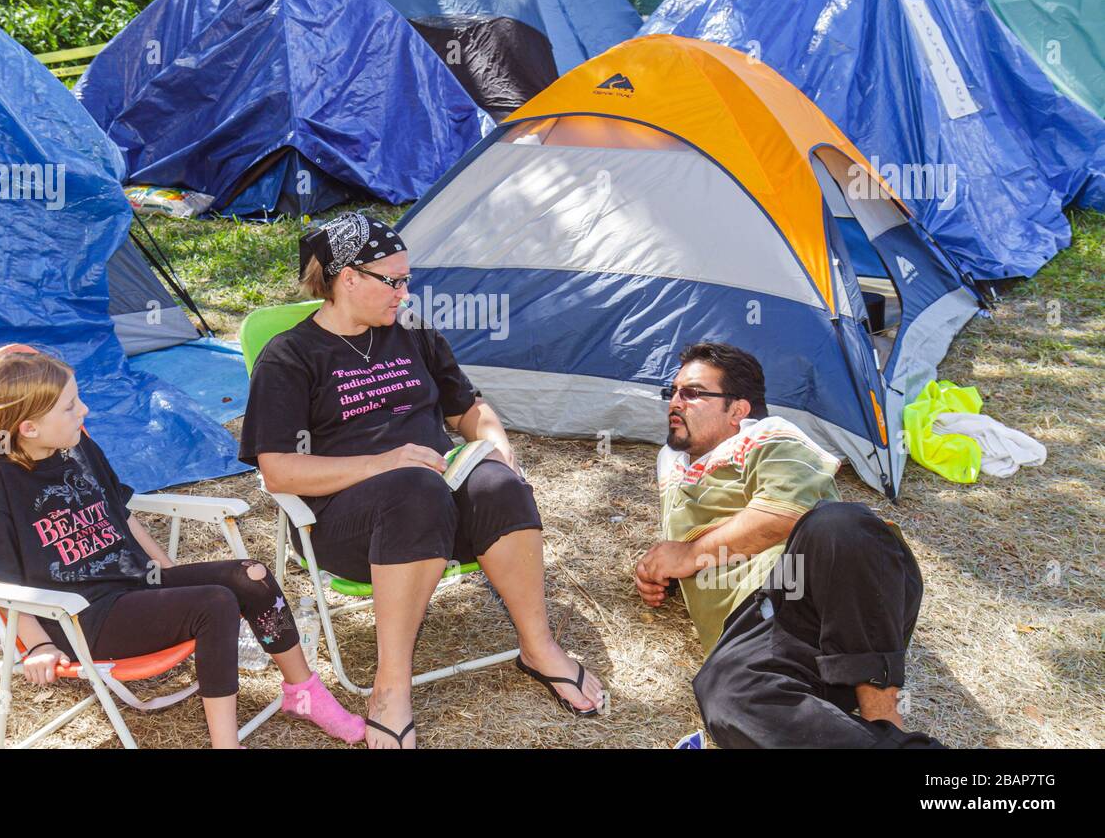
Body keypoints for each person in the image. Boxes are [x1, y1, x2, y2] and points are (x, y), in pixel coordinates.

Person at [240, 211, 605, 749]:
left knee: (497, 484)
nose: (405, 294)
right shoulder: (291, 357)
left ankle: (539, 646)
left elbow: (469, 411)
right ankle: (391, 688)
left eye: (408, 280)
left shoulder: (413, 335)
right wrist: (387, 462)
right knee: (414, 490)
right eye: (394, 281)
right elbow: (278, 471)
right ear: (349, 278)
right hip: (342, 525)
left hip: (437, 502)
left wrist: (497, 448)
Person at [0, 349, 366, 749]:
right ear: (29, 427)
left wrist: (166, 570)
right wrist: (38, 644)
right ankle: (225, 744)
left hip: (135, 587)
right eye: (70, 407)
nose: (84, 410)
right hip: (80, 619)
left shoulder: (78, 449)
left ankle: (303, 693)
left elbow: (122, 514)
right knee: (214, 604)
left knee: (252, 576)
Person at [634, 342, 942, 748]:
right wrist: (659, 570)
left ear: (738, 410)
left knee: (841, 522)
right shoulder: (672, 464)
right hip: (758, 637)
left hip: (827, 601)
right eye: (672, 392)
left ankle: (882, 712)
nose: (675, 402)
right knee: (725, 693)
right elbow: (698, 537)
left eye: (692, 393)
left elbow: (786, 512)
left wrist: (689, 556)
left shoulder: (769, 435)